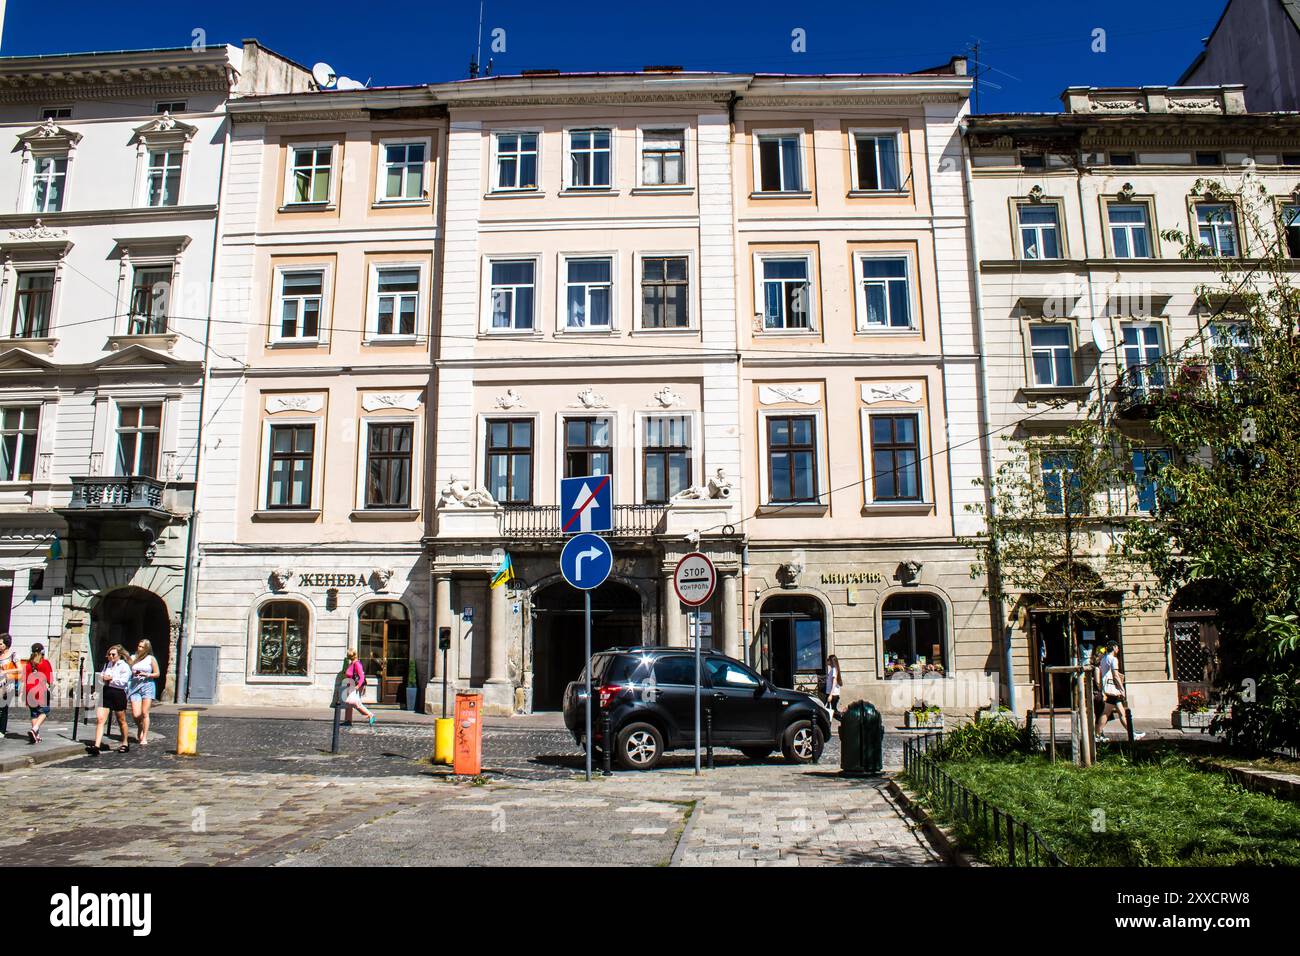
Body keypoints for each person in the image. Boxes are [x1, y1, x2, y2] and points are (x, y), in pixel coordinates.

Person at [1095, 644, 1145, 742]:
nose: (1118, 649)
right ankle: (1097, 735)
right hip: (1113, 689)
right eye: (1117, 647)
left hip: (1108, 688)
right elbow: (1115, 675)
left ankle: (1131, 733)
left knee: (1116, 713)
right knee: (1109, 713)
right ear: (1114, 647)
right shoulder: (1113, 659)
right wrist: (1122, 689)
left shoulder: (1104, 659)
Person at [91, 645, 132, 755]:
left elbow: (123, 682)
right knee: (100, 719)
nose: (111, 656)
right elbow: (103, 677)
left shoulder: (124, 666)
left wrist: (111, 679)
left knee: (121, 719)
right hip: (106, 692)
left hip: (118, 693)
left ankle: (125, 743)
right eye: (109, 654)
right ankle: (96, 745)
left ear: (119, 655)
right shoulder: (107, 665)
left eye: (113, 654)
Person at [127, 639, 160, 746]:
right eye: (139, 646)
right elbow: (128, 670)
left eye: (142, 647)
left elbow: (157, 673)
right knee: (136, 714)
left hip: (147, 685)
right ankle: (140, 726)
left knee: (145, 712)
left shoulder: (151, 659)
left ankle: (144, 736)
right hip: (134, 686)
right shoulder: (133, 658)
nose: (139, 648)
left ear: (147, 649)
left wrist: (147, 675)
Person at [23, 642, 54, 744]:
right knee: (44, 711)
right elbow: (50, 679)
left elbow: (24, 678)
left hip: (29, 691)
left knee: (34, 713)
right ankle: (34, 729)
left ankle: (36, 736)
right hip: (40, 690)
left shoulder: (28, 664)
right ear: (42, 652)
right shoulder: (45, 663)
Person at [340, 649, 375, 727]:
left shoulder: (357, 664)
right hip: (351, 685)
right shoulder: (351, 663)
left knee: (353, 702)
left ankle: (370, 715)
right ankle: (348, 721)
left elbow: (362, 677)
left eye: (349, 655)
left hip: (355, 686)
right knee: (348, 703)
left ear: (351, 656)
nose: (348, 656)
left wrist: (358, 686)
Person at [0, 634, 20, 739]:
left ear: (6, 644)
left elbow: (20, 669)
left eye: (1, 644)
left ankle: (2, 730)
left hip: (8, 685)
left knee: (3, 707)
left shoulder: (13, 655)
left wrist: (7, 670)